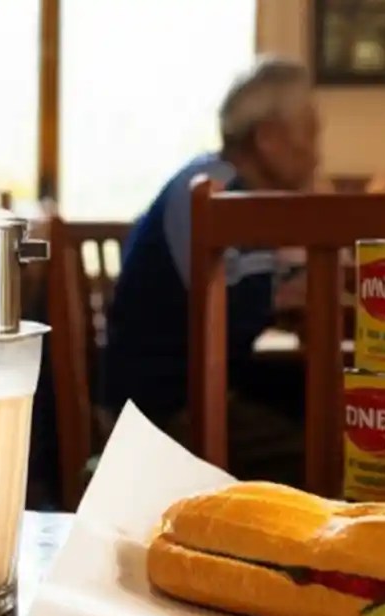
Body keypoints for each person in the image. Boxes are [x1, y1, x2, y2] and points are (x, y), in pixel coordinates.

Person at [100, 55, 320, 484]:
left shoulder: (218, 182)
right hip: (161, 414)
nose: (317, 153)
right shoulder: (217, 196)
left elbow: (252, 300)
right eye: (310, 132)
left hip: (181, 393)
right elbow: (237, 314)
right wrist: (292, 289)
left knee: (316, 409)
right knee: (330, 448)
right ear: (270, 138)